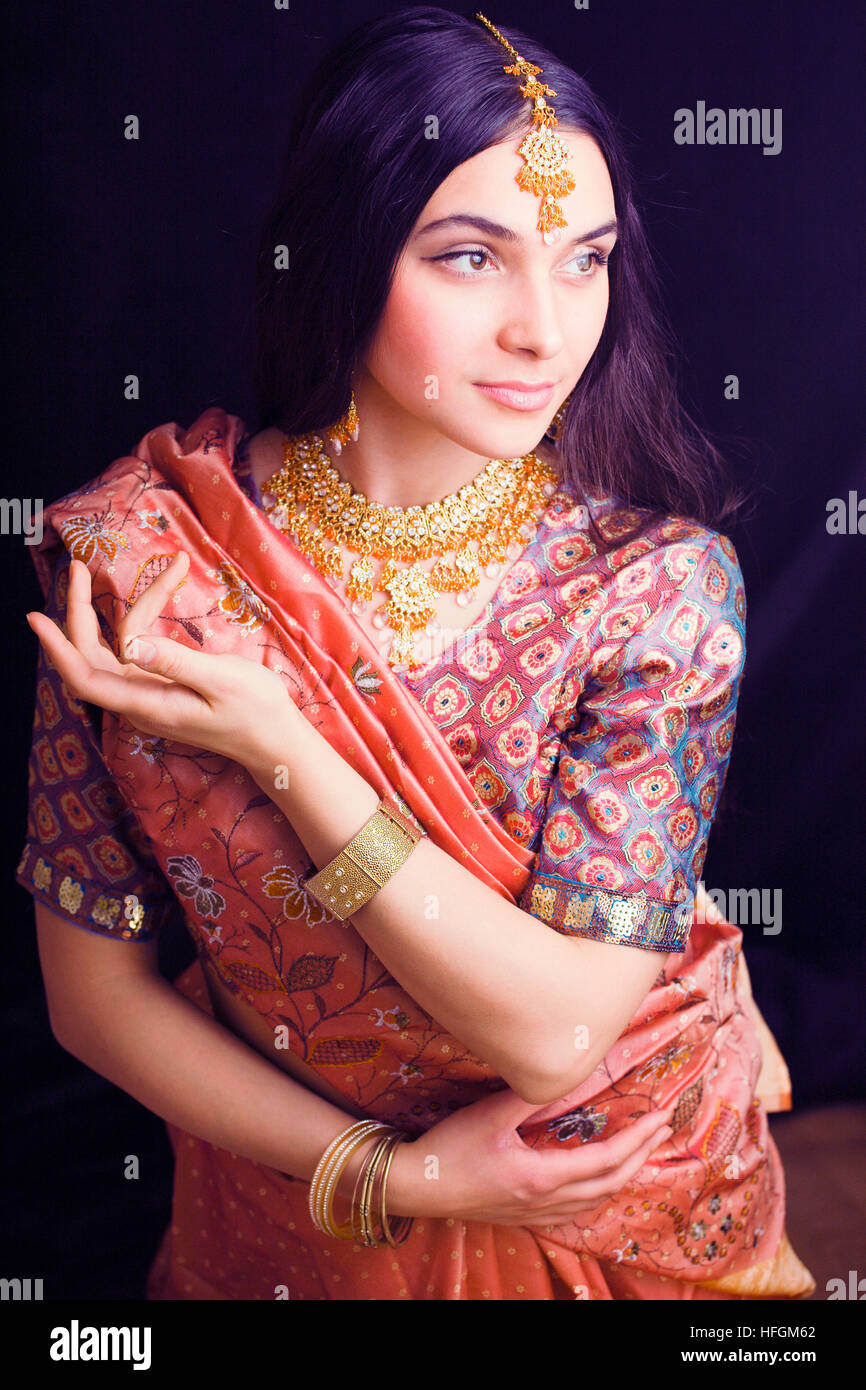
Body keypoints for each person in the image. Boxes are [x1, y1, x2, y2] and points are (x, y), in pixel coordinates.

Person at [16, 7, 815, 1300]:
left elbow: (558, 1034)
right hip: (286, 1224)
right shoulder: (147, 552)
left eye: (584, 259)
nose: (545, 332)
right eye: (469, 258)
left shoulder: (657, 588)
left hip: (632, 1205)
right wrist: (391, 1176)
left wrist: (284, 747)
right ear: (339, 252)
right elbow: (89, 996)